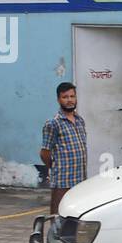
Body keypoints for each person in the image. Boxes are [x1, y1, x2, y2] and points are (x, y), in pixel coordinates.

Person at [40, 82, 88, 215]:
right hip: (62, 179)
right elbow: (45, 153)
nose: (69, 100)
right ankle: (55, 235)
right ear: (58, 99)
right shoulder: (53, 123)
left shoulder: (79, 121)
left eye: (72, 96)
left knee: (76, 214)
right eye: (65, 97)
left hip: (80, 178)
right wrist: (54, 167)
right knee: (58, 214)